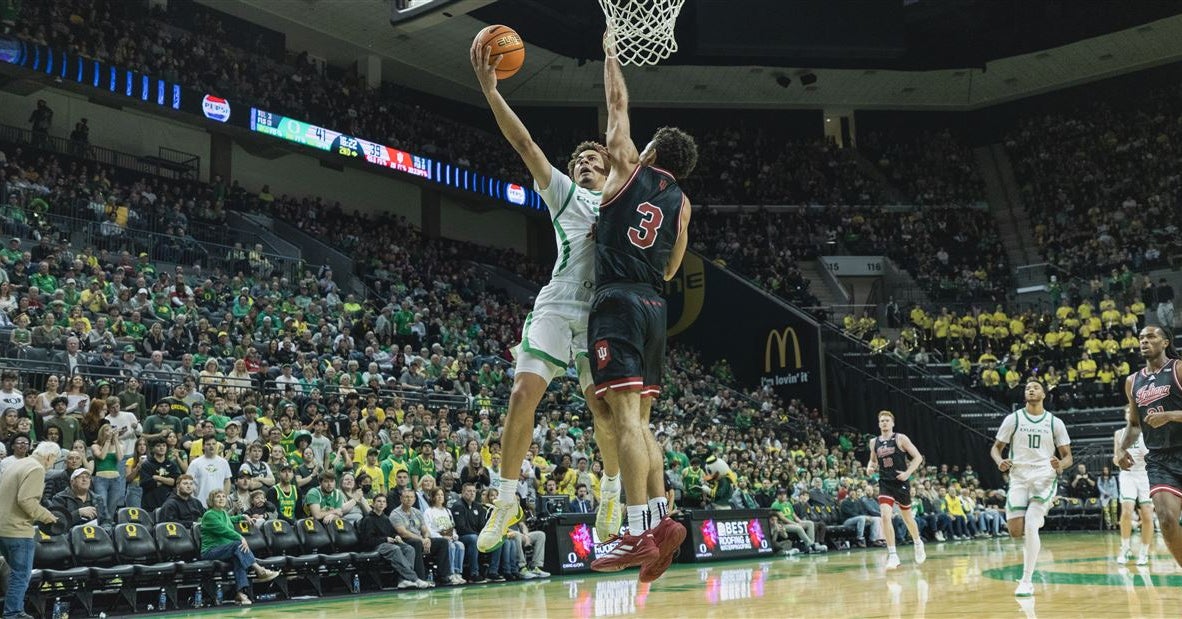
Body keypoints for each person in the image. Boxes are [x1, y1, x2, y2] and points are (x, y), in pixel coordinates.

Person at [470, 30, 621, 552]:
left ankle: (611, 488)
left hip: (603, 313)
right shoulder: (565, 193)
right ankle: (506, 498)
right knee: (521, 394)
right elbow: (525, 144)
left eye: (593, 163)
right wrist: (492, 92)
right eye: (579, 161)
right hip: (559, 303)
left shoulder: (623, 205)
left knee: (603, 412)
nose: (583, 165)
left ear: (610, 173)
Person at [587, 33, 697, 585]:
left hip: (619, 300)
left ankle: (633, 528)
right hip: (657, 305)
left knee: (624, 419)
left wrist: (611, 55)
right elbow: (674, 268)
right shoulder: (682, 203)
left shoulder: (627, 165)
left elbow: (617, 106)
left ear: (650, 151)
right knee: (642, 423)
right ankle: (660, 518)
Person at [990, 380, 1073, 597]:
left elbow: (1068, 457)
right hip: (1018, 476)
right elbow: (996, 449)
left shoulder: (1055, 422)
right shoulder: (1013, 419)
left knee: (1031, 525)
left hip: (1044, 476)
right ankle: (1039, 513)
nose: (1031, 390)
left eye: (1035, 387)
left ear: (1044, 394)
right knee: (1015, 531)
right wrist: (1000, 461)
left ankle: (1026, 580)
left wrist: (1059, 465)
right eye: (1028, 388)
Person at [1116, 325, 1182, 569]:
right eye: (1141, 337)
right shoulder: (1133, 381)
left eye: (1151, 336)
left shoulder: (1178, 369)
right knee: (1165, 519)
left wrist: (1171, 415)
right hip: (1160, 459)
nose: (1144, 341)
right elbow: (1134, 425)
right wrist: (1121, 449)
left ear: (1165, 342)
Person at [0, 441, 60, 619]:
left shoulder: (17, 464)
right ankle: (13, 613)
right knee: (20, 576)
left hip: (3, 527)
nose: (52, 465)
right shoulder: (36, 469)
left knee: (13, 574)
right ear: (49, 457)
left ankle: (15, 610)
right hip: (18, 530)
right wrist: (47, 516)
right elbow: (26, 500)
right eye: (54, 461)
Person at [198, 489, 281, 605]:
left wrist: (243, 516)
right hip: (210, 551)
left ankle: (240, 593)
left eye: (223, 496)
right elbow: (224, 530)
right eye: (218, 497)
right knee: (238, 545)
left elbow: (231, 519)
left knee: (239, 559)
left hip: (225, 550)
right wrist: (241, 538)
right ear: (211, 500)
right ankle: (259, 570)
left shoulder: (223, 513)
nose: (221, 498)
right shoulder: (209, 515)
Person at [866, 411, 926, 569]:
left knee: (907, 518)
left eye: (887, 420)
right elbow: (872, 461)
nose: (884, 423)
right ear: (879, 424)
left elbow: (918, 457)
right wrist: (869, 468)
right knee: (885, 516)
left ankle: (917, 542)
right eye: (882, 421)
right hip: (885, 483)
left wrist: (908, 473)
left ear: (892, 423)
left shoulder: (900, 438)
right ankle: (892, 555)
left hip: (901, 482)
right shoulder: (874, 442)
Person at [355, 494, 430, 589]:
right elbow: (367, 541)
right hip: (375, 546)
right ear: (373, 504)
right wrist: (385, 539)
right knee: (395, 549)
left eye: (383, 502)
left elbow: (392, 533)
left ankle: (403, 580)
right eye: (378, 501)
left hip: (387, 544)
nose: (381, 504)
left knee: (409, 549)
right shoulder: (368, 519)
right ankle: (414, 578)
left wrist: (396, 536)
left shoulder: (385, 518)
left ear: (386, 505)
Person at [390, 488, 451, 587]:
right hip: (405, 541)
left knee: (443, 542)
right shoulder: (395, 513)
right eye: (406, 497)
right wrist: (422, 540)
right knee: (416, 543)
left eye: (411, 497)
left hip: (420, 539)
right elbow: (403, 533)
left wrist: (427, 538)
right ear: (401, 498)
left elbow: (425, 529)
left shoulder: (417, 512)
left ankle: (443, 576)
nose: (409, 499)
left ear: (414, 499)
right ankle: (420, 578)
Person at [1113, 427, 1152, 565]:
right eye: (1128, 411)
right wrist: (1120, 460)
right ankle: (1125, 548)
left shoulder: (1149, 432)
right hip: (1127, 474)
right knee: (1127, 511)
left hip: (1145, 474)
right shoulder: (1119, 433)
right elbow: (1114, 458)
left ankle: (1144, 551)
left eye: (1132, 411)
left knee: (1147, 513)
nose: (1130, 413)